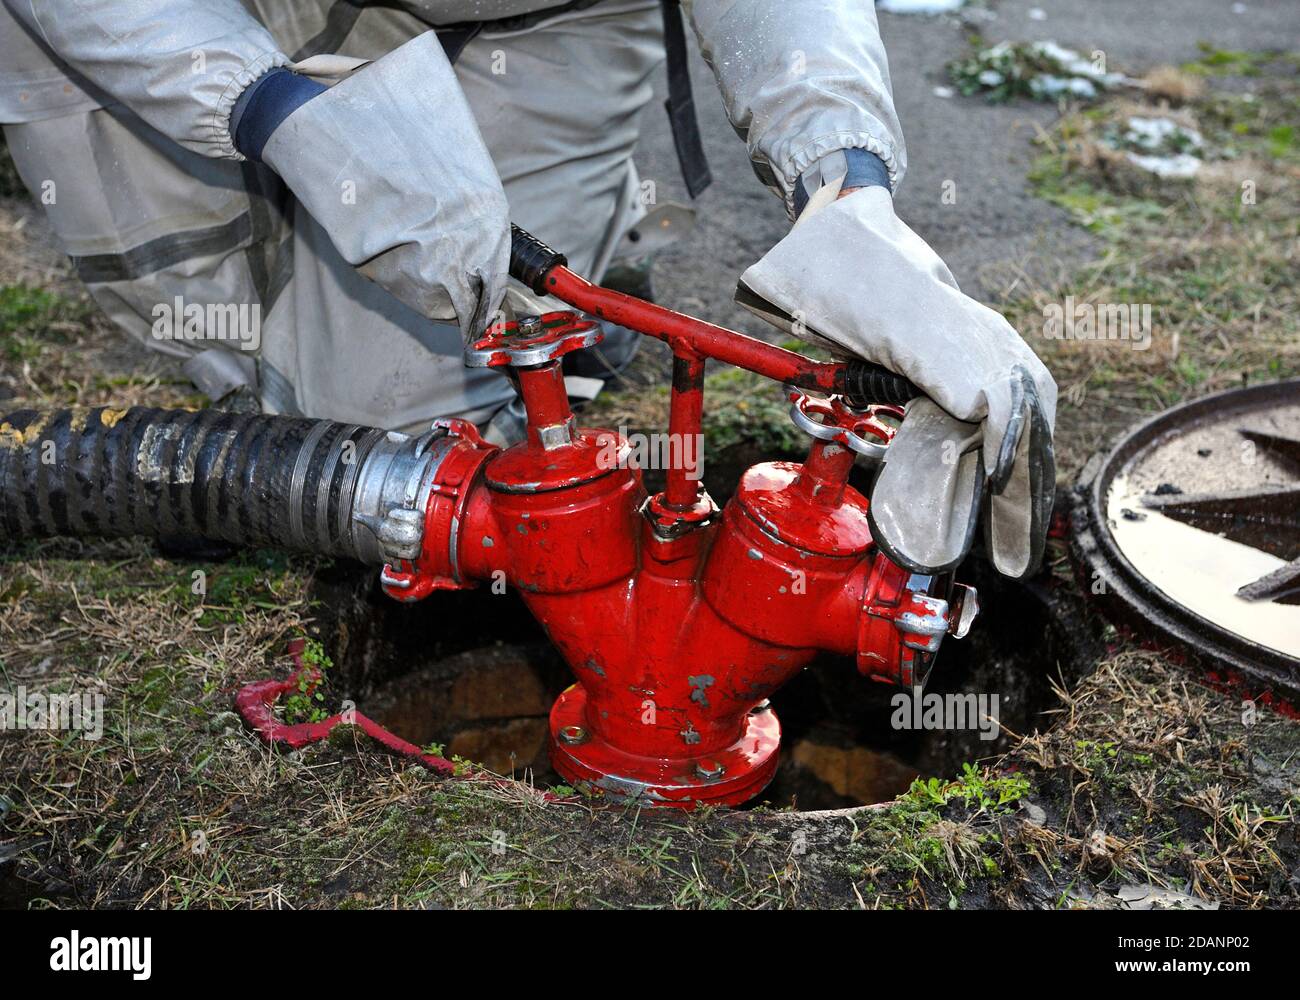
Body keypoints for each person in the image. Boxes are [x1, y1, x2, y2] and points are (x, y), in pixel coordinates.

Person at [0, 0, 1055, 579]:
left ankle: (551, 283)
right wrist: (267, 104)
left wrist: (844, 182)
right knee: (201, 262)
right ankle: (246, 399)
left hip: (539, 19)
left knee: (387, 443)